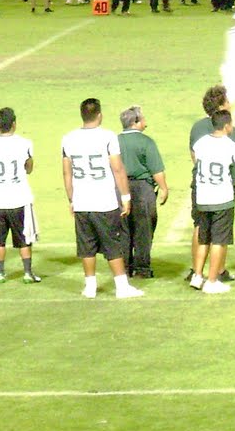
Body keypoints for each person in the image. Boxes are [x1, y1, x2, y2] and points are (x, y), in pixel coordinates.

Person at [61, 97, 142, 298]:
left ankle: (90, 287)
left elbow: (66, 172)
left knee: (86, 246)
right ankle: (122, 287)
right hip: (104, 201)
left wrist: (71, 199)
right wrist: (125, 196)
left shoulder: (68, 138)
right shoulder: (107, 137)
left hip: (82, 201)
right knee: (113, 244)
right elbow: (117, 168)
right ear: (99, 114)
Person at [0, 106, 41, 283]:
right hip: (19, 199)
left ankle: (0, 273)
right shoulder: (25, 143)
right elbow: (29, 168)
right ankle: (27, 273)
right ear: (14, 124)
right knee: (24, 239)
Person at [191, 109, 235, 293]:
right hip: (222, 199)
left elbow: (196, 161)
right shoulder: (232, 147)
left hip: (203, 197)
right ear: (227, 126)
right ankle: (212, 281)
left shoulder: (200, 143)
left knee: (203, 238)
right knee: (219, 241)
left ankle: (197, 276)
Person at [116, 105, 168, 279]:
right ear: (135, 122)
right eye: (143, 118)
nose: (146, 122)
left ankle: (124, 268)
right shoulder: (146, 142)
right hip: (142, 189)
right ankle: (142, 268)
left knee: (123, 229)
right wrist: (164, 188)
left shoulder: (114, 141)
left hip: (119, 188)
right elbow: (156, 170)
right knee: (143, 229)